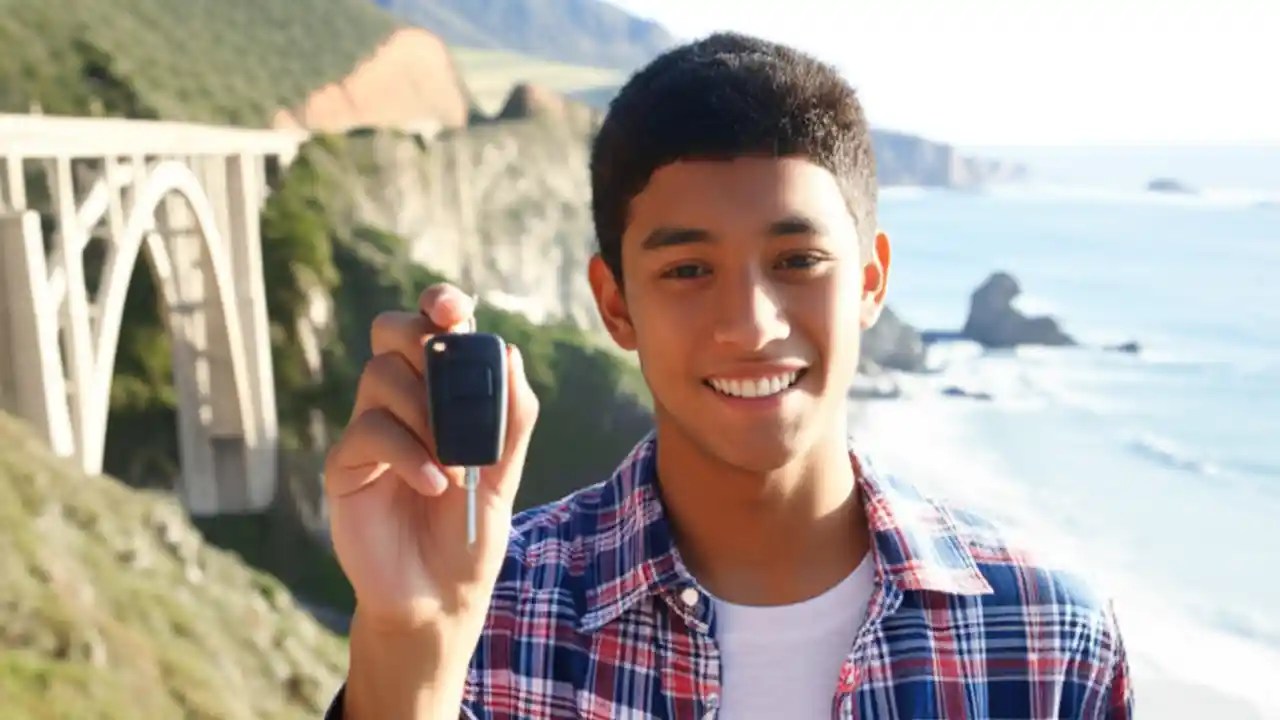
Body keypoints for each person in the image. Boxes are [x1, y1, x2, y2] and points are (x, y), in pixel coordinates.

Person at [322, 31, 1133, 719]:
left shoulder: (1048, 641)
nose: (751, 324)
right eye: (686, 270)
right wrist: (414, 647)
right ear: (614, 304)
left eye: (797, 260)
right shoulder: (490, 622)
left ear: (872, 280)